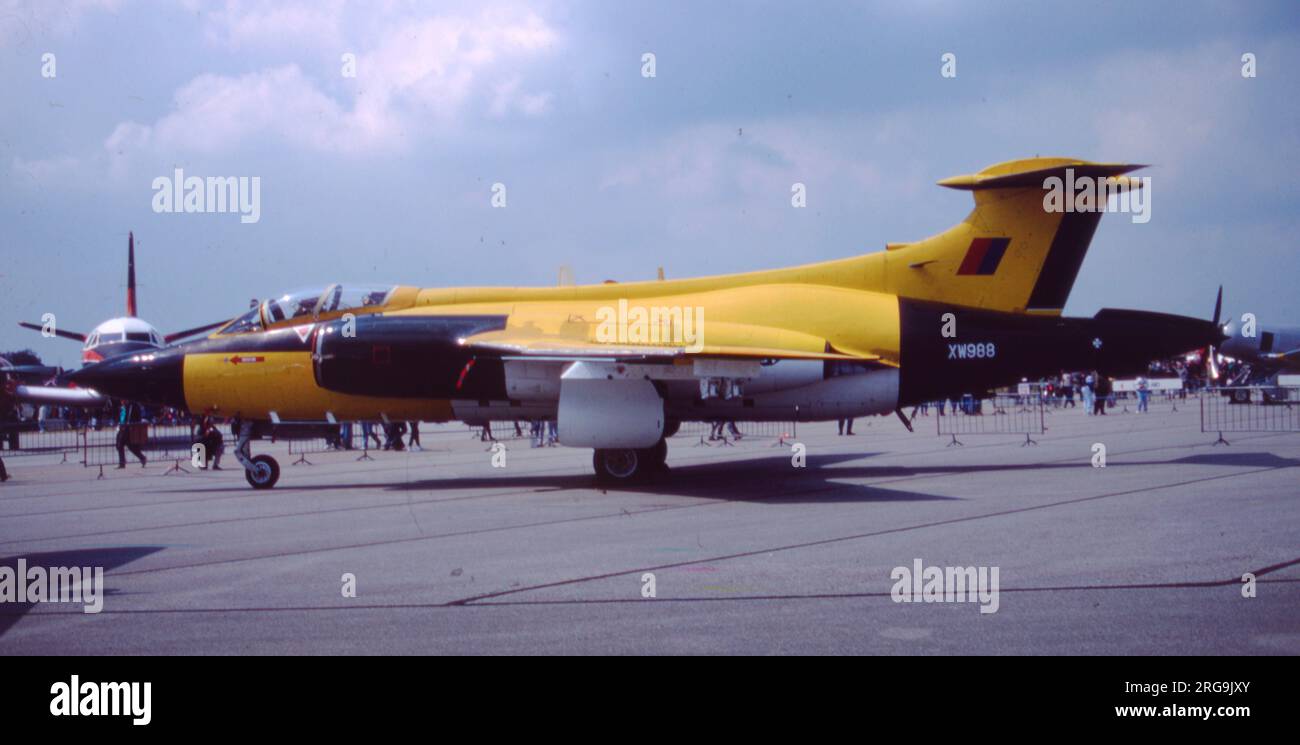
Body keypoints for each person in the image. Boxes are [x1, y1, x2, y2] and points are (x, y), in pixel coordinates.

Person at [115, 401, 147, 469]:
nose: (122, 401)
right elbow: (121, 417)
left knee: (120, 445)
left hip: (128, 428)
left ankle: (122, 463)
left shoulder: (132, 405)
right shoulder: (123, 407)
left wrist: (132, 425)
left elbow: (137, 417)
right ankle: (142, 457)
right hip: (121, 427)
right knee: (129, 446)